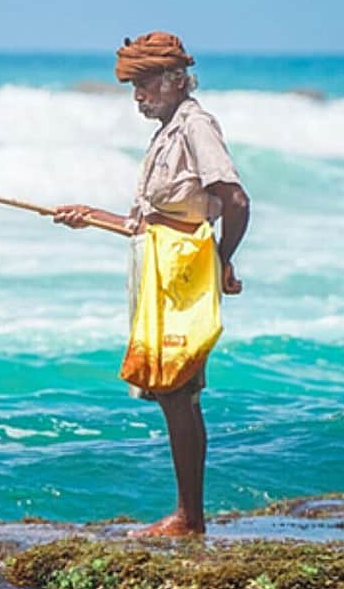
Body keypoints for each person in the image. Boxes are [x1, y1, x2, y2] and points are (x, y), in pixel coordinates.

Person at [54, 32, 250, 537]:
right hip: (165, 264)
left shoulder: (195, 125)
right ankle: (189, 514)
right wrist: (90, 215)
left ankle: (189, 518)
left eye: (144, 86)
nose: (138, 97)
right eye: (133, 88)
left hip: (184, 269)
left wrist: (223, 262)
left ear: (176, 80)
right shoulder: (168, 130)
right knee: (171, 392)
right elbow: (152, 220)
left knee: (178, 391)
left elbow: (236, 200)